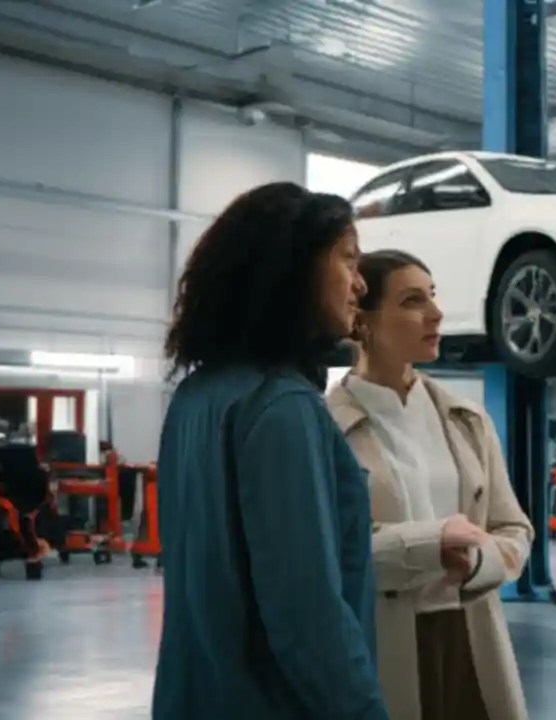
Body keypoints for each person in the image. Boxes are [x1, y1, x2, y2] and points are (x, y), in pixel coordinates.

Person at [152, 183, 387, 720]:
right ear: (294, 268)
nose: (360, 283)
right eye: (348, 260)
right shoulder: (282, 407)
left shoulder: (197, 396)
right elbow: (307, 616)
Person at [325, 249, 534, 720]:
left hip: (472, 636)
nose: (436, 314)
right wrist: (427, 545)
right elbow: (328, 553)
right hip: (381, 640)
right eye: (413, 300)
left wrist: (479, 562)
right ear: (362, 321)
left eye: (433, 297)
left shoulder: (466, 420)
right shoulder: (324, 428)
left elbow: (514, 529)